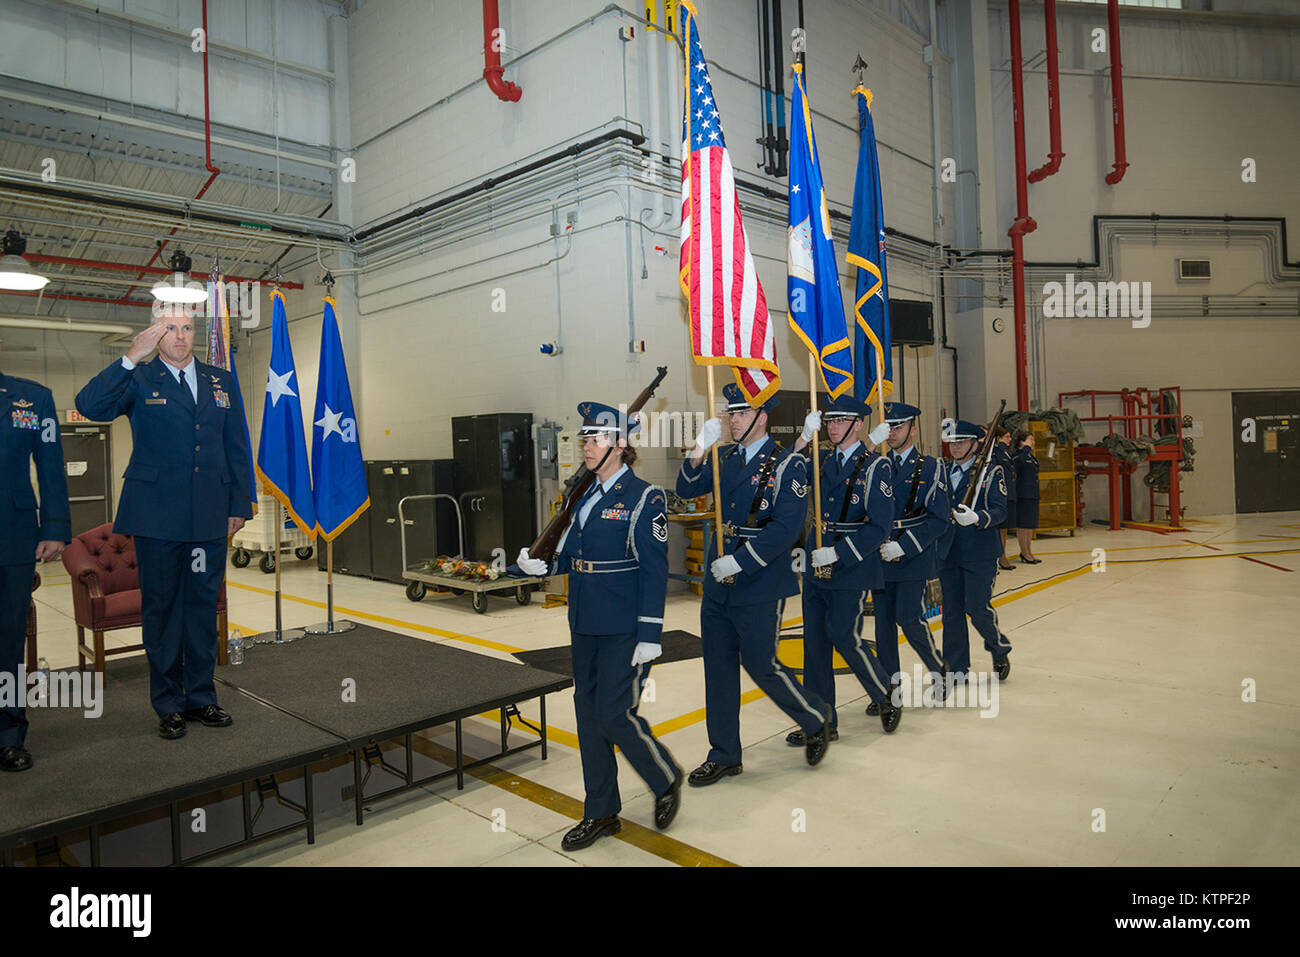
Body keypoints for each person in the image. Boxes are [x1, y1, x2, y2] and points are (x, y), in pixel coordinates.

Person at [75, 316, 252, 739]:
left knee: (201, 609)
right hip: (157, 517)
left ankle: (202, 698)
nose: (180, 336)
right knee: (163, 611)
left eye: (187, 328)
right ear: (154, 336)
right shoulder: (139, 375)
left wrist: (239, 502)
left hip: (208, 514)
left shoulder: (219, 379)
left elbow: (236, 441)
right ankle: (169, 704)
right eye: (169, 329)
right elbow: (89, 406)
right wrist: (129, 357)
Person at [515, 403, 681, 851]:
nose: (586, 447)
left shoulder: (646, 498)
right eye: (584, 439)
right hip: (584, 621)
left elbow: (654, 569)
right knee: (588, 717)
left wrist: (650, 635)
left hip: (625, 625)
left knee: (613, 713)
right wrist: (538, 566)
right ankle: (602, 811)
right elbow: (572, 554)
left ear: (621, 444)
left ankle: (664, 777)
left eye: (596, 439)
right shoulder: (582, 497)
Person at [675, 382, 832, 786]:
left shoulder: (786, 465)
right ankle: (725, 754)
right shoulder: (723, 458)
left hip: (760, 579)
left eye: (741, 413)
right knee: (719, 668)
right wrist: (698, 449)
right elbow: (686, 491)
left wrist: (741, 562)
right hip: (718, 581)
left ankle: (815, 718)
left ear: (762, 418)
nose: (732, 420)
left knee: (762, 665)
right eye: (730, 414)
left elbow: (787, 527)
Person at [787, 395, 900, 740]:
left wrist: (839, 554)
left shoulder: (875, 466)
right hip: (815, 558)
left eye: (841, 421)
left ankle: (886, 694)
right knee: (815, 641)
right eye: (829, 421)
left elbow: (880, 525)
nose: (833, 427)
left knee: (844, 636)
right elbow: (785, 473)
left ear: (858, 424)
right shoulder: (820, 459)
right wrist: (803, 439)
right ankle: (821, 720)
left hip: (850, 563)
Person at [1, 342, 70, 772]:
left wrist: (56, 527)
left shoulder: (32, 399)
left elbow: (50, 464)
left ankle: (8, 734)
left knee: (8, 643)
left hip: (12, 536)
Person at [870, 402, 949, 708]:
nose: (891, 433)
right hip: (880, 554)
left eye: (898, 427)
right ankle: (890, 691)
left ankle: (938, 669)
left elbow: (940, 519)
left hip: (913, 554)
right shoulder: (877, 465)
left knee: (909, 618)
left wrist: (904, 545)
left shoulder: (930, 468)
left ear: (913, 430)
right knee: (883, 625)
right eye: (887, 427)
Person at [938, 419, 1013, 684]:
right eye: (952, 443)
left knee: (977, 607)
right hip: (948, 551)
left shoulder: (991, 473)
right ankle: (956, 667)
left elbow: (1001, 510)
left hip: (979, 551)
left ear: (975, 443)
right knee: (951, 612)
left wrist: (978, 518)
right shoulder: (942, 472)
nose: (956, 448)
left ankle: (998, 647)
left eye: (961, 442)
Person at [992, 426, 1017, 571]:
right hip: (1002, 493)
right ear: (998, 438)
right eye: (1006, 437)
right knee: (1000, 528)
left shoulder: (1006, 453)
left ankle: (1002, 555)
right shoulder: (997, 452)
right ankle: (1001, 557)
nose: (1009, 439)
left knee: (1005, 528)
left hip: (1009, 492)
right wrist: (999, 445)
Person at [1014, 429, 1041, 563]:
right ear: (1021, 442)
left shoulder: (1031, 456)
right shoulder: (1019, 455)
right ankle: (1024, 552)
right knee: (1023, 525)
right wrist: (1024, 450)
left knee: (1030, 525)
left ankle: (1028, 551)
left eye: (1033, 439)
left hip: (1033, 493)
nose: (1032, 442)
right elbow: (1020, 464)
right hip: (1023, 494)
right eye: (1030, 439)